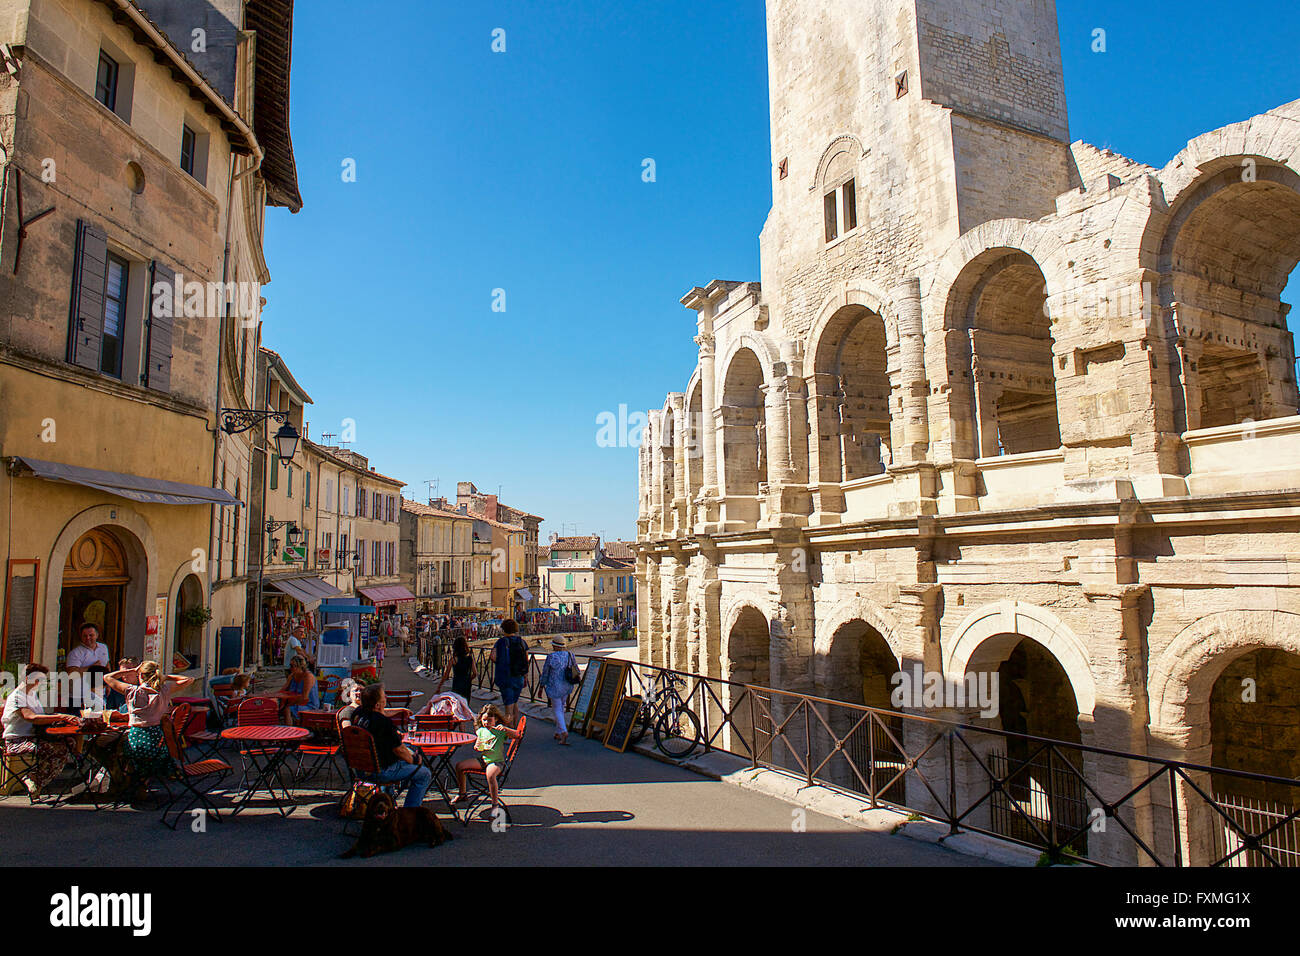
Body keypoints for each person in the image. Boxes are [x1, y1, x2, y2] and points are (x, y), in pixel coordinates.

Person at [103, 661, 195, 785]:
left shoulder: (132, 691)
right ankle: (140, 783)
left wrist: (131, 671)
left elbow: (107, 677)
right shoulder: (164, 690)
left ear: (140, 675)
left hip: (136, 741)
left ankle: (121, 783)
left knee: (109, 747)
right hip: (157, 744)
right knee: (127, 751)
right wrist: (165, 677)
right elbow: (189, 679)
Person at [2, 664, 78, 797]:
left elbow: (40, 718)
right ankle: (35, 779)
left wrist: (59, 718)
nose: (41, 683)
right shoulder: (17, 696)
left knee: (69, 742)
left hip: (35, 737)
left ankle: (36, 779)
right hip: (17, 741)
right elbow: (30, 717)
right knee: (55, 749)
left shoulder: (31, 694)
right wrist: (61, 716)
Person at [350, 683, 430, 808]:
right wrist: (415, 760)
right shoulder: (383, 723)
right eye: (384, 697)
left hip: (360, 769)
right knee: (424, 773)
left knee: (399, 760)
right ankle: (410, 812)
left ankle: (388, 801)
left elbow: (380, 713)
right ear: (377, 705)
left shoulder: (358, 714)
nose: (386, 697)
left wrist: (399, 710)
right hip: (381, 771)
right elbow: (400, 750)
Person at [453, 704, 523, 815]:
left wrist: (506, 729)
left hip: (496, 762)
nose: (486, 723)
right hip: (483, 760)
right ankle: (462, 793)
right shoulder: (481, 731)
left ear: (496, 720)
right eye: (484, 720)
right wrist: (477, 746)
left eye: (489, 720)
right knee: (460, 766)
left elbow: (518, 735)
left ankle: (495, 805)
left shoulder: (499, 731)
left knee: (490, 774)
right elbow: (478, 745)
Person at [538, 637, 577, 745]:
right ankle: (558, 732)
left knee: (556, 709)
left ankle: (563, 731)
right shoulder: (570, 655)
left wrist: (541, 686)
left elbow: (545, 673)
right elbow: (576, 669)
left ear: (555, 646)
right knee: (561, 707)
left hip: (554, 686)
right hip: (567, 685)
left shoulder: (551, 657)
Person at [490, 619, 527, 725]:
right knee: (514, 703)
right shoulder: (522, 642)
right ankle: (516, 729)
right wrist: (525, 676)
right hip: (519, 677)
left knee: (508, 709)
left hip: (506, 678)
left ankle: (509, 731)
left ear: (504, 629)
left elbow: (493, 657)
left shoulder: (501, 642)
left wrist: (501, 663)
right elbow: (526, 660)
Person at [276, 656, 319, 721]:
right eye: (290, 665)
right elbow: (282, 691)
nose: (290, 668)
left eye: (292, 666)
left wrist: (288, 703)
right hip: (294, 703)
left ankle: (289, 727)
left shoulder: (308, 677)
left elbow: (305, 698)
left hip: (309, 705)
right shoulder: (292, 676)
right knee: (274, 705)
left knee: (287, 709)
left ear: (300, 666)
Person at [436, 635, 475, 703]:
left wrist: (439, 686)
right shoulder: (470, 658)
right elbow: (475, 673)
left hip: (457, 684)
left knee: (456, 703)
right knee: (465, 703)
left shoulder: (454, 659)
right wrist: (469, 679)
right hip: (466, 684)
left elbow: (446, 674)